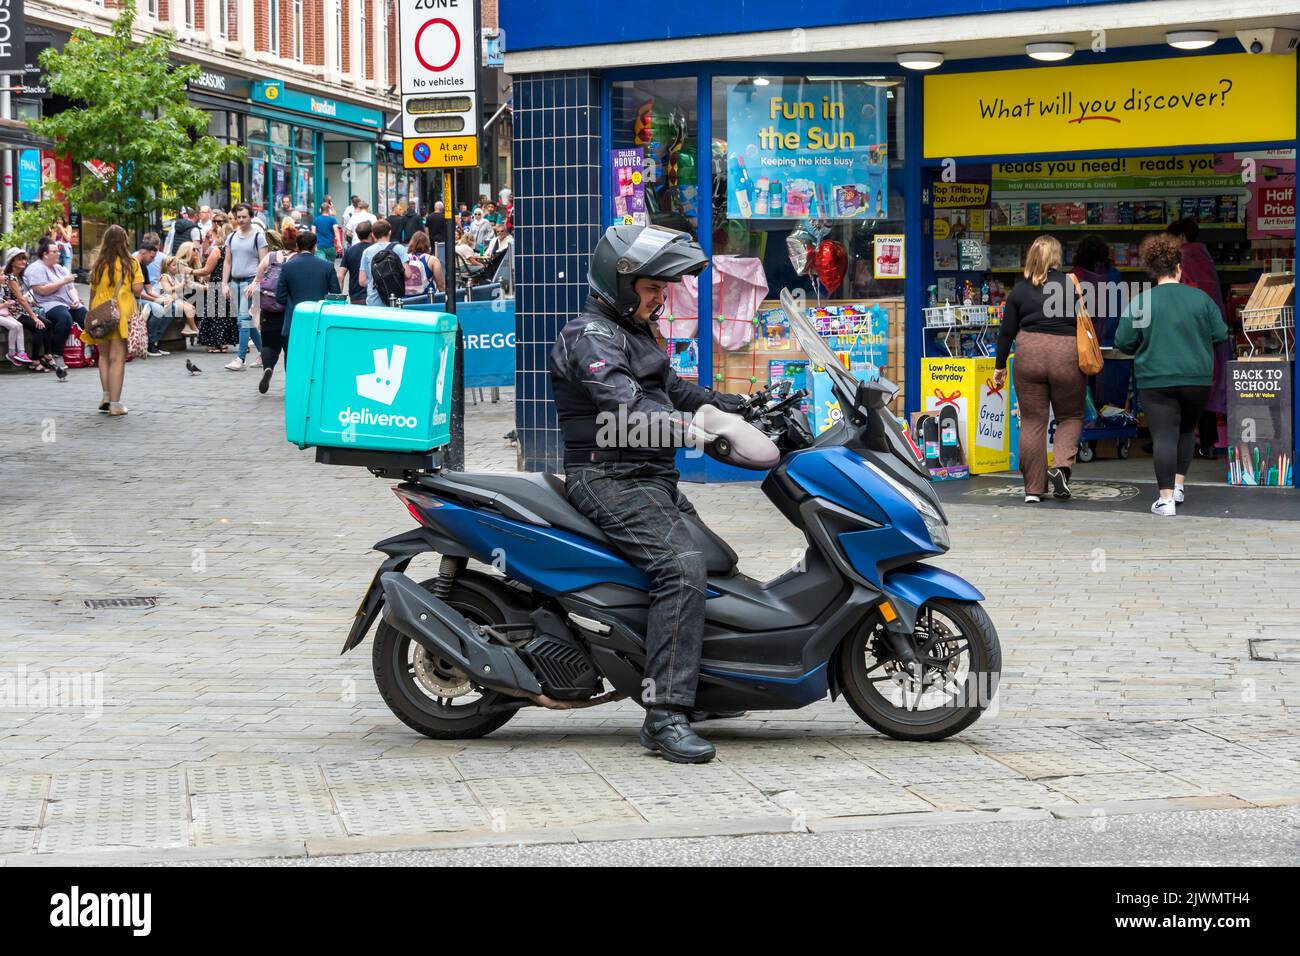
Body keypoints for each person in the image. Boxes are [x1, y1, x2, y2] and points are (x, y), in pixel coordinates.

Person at [549, 224, 749, 764]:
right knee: (681, 568)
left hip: (650, 481)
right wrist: (690, 430)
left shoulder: (633, 331)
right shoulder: (590, 335)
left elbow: (671, 390)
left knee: (717, 565)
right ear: (621, 282)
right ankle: (664, 716)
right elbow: (625, 405)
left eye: (663, 289)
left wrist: (738, 406)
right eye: (653, 288)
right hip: (609, 479)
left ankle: (698, 682)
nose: (661, 298)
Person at [1115, 234, 1228, 517]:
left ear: (1153, 271)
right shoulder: (1200, 299)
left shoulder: (1142, 302)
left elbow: (1124, 342)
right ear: (1179, 267)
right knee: (1187, 431)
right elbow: (1220, 334)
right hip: (1197, 378)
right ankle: (1178, 485)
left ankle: (1165, 500)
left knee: (1164, 435)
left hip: (1156, 379)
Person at [993, 235, 1086, 504]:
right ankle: (1060, 467)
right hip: (1065, 355)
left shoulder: (1019, 291)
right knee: (1070, 415)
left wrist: (999, 366)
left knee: (1033, 421)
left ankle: (1033, 489)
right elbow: (1087, 324)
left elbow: (1006, 333)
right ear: (1057, 258)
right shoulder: (1071, 287)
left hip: (1029, 354)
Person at [1167, 218, 1230, 459]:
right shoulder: (1205, 257)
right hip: (1211, 331)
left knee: (1183, 387)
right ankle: (1209, 443)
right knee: (1207, 386)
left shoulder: (1183, 258)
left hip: (1189, 333)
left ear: (1181, 237)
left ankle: (1183, 442)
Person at [82, 224, 145, 415]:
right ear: (124, 241)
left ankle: (106, 396)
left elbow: (92, 291)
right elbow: (138, 290)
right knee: (118, 358)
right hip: (120, 313)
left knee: (103, 356)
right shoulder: (131, 263)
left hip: (100, 312)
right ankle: (116, 405)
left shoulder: (99, 263)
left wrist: (91, 313)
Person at [268, 231, 340, 392]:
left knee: (292, 354)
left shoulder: (287, 267)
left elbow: (280, 297)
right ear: (314, 247)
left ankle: (293, 386)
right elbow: (335, 294)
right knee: (318, 353)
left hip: (295, 318)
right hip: (319, 319)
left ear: (297, 247)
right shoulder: (327, 266)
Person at [7, 245, 74, 375]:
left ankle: (48, 355)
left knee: (48, 324)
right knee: (40, 327)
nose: (24, 262)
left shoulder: (19, 277)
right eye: (20, 259)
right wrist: (34, 317)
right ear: (12, 261)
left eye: (24, 259)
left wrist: (33, 303)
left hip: (22, 310)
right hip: (13, 312)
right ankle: (35, 360)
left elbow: (24, 297)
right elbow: (21, 300)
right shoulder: (10, 278)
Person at [221, 202, 269, 371]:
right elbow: (227, 262)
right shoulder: (232, 237)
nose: (241, 220)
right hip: (235, 282)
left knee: (243, 320)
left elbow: (264, 264)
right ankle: (265, 354)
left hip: (251, 281)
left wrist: (256, 282)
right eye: (238, 217)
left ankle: (240, 358)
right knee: (245, 321)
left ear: (251, 217)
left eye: (244, 217)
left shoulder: (258, 237)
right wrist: (224, 283)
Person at [196, 223, 237, 353]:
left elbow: (207, 270)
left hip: (218, 284)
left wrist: (190, 271)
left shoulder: (218, 250)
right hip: (231, 284)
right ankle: (224, 343)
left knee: (216, 316)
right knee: (227, 316)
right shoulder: (235, 250)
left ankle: (216, 344)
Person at [134, 239, 174, 356]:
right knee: (158, 309)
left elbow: (149, 290)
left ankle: (155, 341)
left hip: (142, 297)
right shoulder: (133, 265)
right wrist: (155, 300)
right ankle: (149, 343)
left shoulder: (144, 267)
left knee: (172, 307)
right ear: (143, 252)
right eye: (151, 257)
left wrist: (162, 297)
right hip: (133, 299)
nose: (152, 261)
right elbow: (136, 292)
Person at [359, 219, 408, 307]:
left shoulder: (367, 252)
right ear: (390, 232)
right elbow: (408, 274)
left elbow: (362, 281)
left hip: (374, 301)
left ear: (373, 235)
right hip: (396, 298)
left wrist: (378, 281)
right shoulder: (400, 248)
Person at [339, 219, 374, 304]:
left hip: (356, 296)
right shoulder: (375, 250)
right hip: (374, 295)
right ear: (371, 234)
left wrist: (339, 297)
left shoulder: (349, 251)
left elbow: (340, 276)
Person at [404, 231, 445, 295]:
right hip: (427, 298)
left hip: (407, 299)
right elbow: (440, 285)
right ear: (427, 244)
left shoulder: (404, 259)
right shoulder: (432, 260)